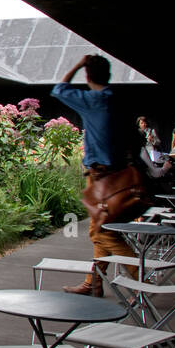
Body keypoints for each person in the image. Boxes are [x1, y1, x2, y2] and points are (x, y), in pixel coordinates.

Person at [50, 54, 141, 295]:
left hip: (102, 176)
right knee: (100, 230)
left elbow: (60, 89)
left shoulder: (94, 100)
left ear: (88, 76)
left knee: (105, 233)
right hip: (120, 175)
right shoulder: (118, 99)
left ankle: (142, 283)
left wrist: (78, 65)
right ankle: (94, 284)